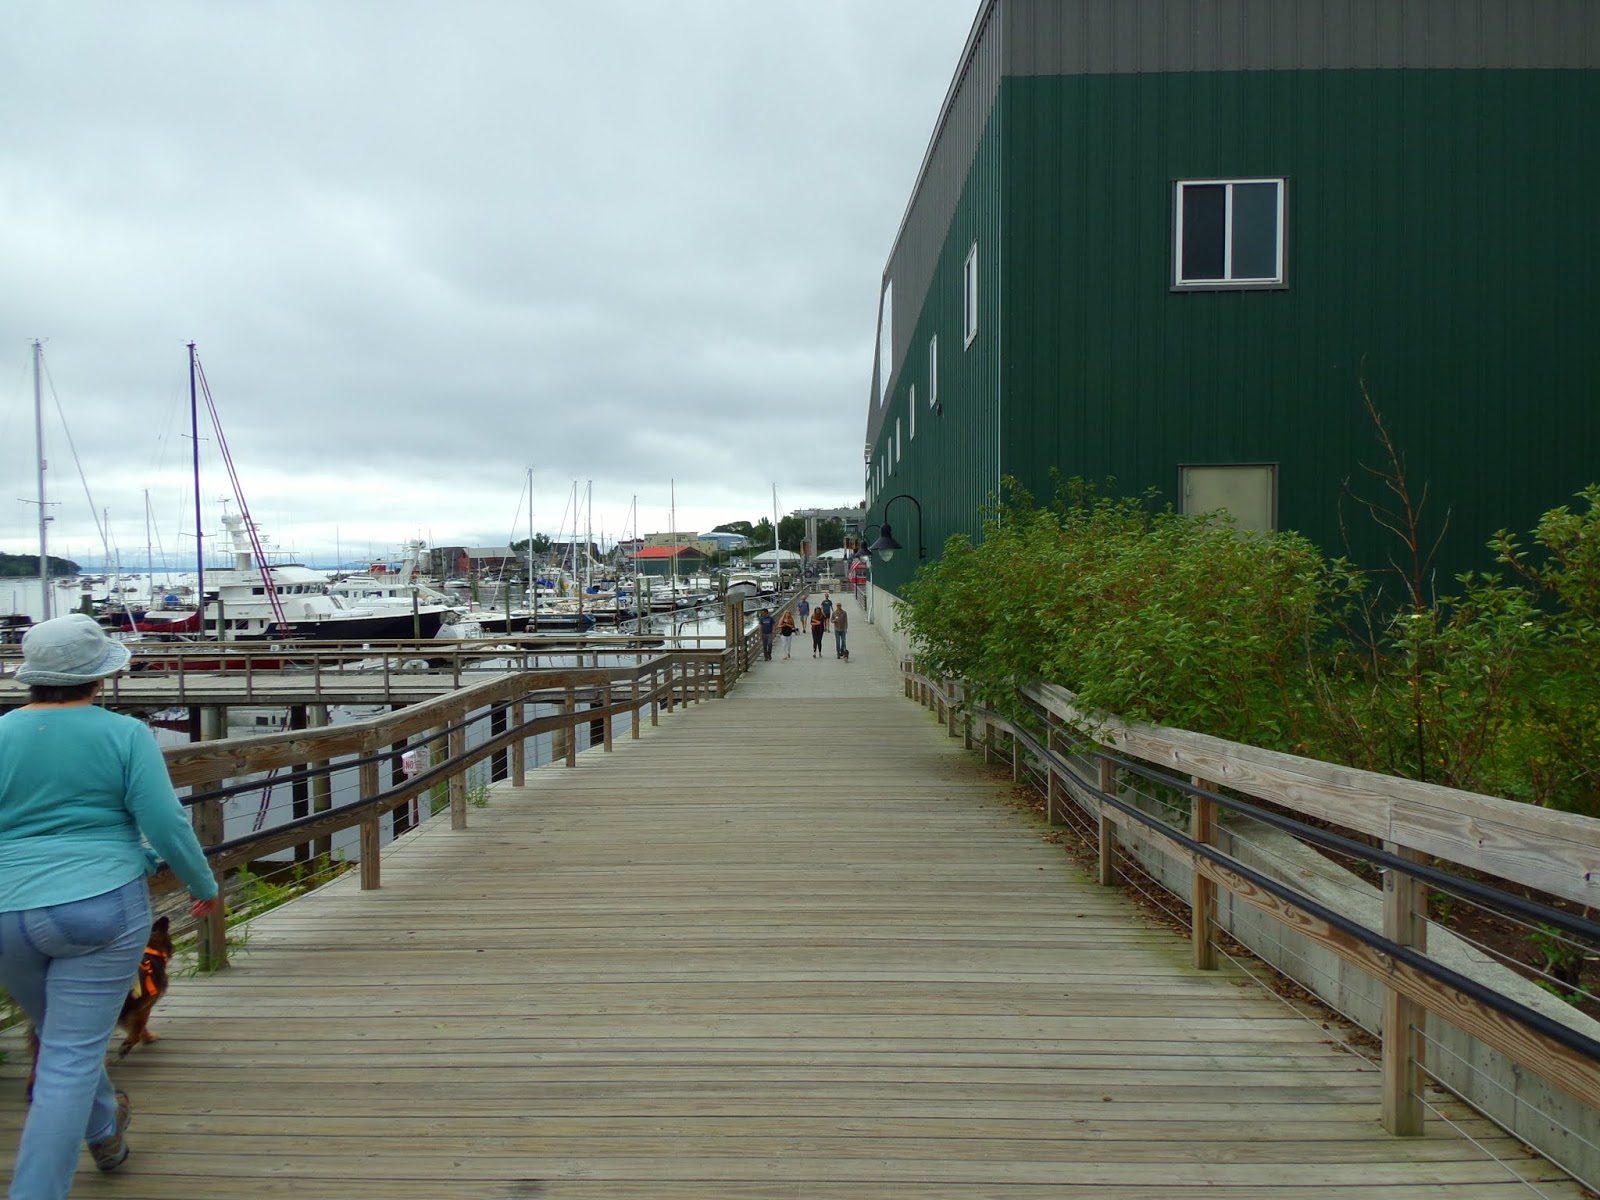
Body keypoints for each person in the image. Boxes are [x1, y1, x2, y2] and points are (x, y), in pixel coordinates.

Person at [0, 613, 221, 1198]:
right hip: (98, 903)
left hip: (5, 908)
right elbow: (164, 820)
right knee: (69, 1056)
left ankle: (106, 1132)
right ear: (101, 680)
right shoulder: (123, 734)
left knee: (58, 1034)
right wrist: (201, 885)